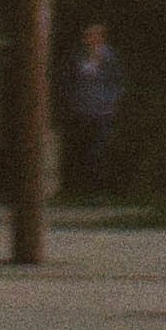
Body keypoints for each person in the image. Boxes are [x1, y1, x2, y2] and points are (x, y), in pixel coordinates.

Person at [64, 18, 126, 197]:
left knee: (99, 149)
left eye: (91, 35)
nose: (87, 38)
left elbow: (118, 82)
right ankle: (83, 188)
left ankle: (100, 188)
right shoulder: (80, 56)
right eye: (86, 35)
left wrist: (112, 101)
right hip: (82, 109)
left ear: (100, 37)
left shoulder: (110, 57)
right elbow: (72, 79)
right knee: (81, 148)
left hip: (103, 110)